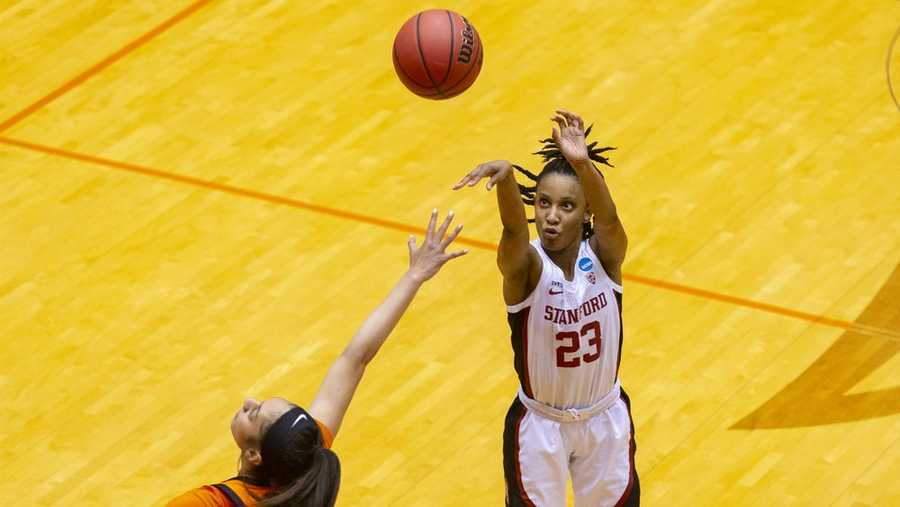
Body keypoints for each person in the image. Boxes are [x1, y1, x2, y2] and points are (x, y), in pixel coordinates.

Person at [166, 210, 468, 507]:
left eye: (253, 414)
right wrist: (414, 277)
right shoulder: (304, 467)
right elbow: (355, 359)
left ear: (254, 455)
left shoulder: (209, 502)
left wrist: (415, 275)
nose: (247, 401)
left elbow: (356, 359)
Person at [453, 109, 638, 506]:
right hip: (540, 426)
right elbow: (514, 231)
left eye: (566, 206)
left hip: (605, 418)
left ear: (584, 211)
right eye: (542, 202)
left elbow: (610, 220)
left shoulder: (606, 257)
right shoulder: (528, 269)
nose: (550, 216)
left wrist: (582, 163)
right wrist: (506, 181)